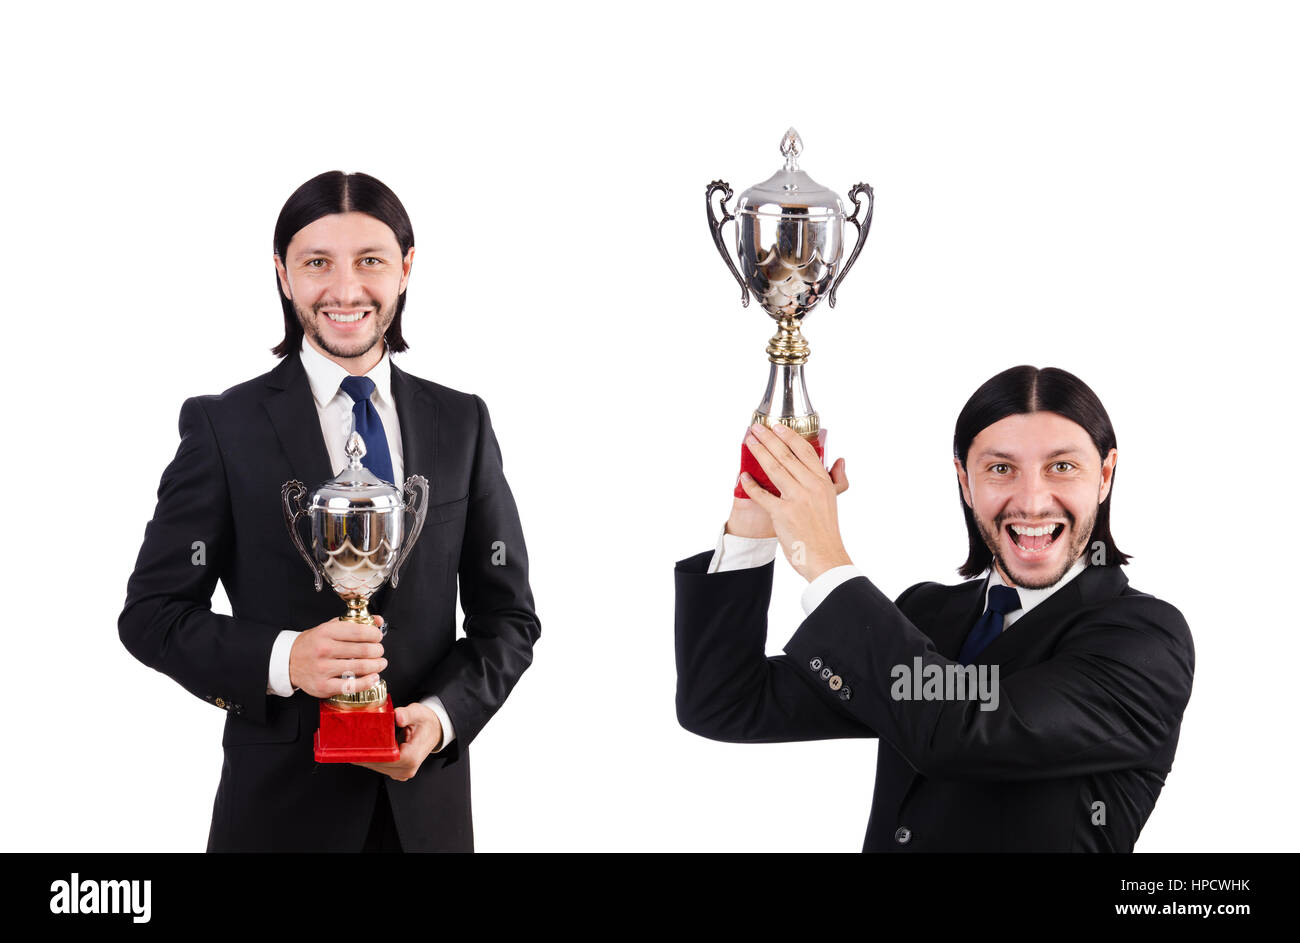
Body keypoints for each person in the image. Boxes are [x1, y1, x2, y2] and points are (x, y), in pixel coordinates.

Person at [120, 171, 540, 852]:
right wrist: (287, 659)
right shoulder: (224, 427)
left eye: (370, 260)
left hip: (427, 821)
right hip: (277, 820)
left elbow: (509, 620)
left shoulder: (461, 423)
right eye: (317, 263)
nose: (345, 291)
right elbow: (152, 615)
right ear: (283, 276)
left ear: (405, 269)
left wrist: (438, 719)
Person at [674, 366, 1194, 852]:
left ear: (1104, 476)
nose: (1033, 501)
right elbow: (726, 702)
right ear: (965, 482)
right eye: (999, 468)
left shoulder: (1144, 640)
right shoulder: (929, 614)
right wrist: (755, 516)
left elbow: (958, 735)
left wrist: (825, 560)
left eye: (1062, 467)